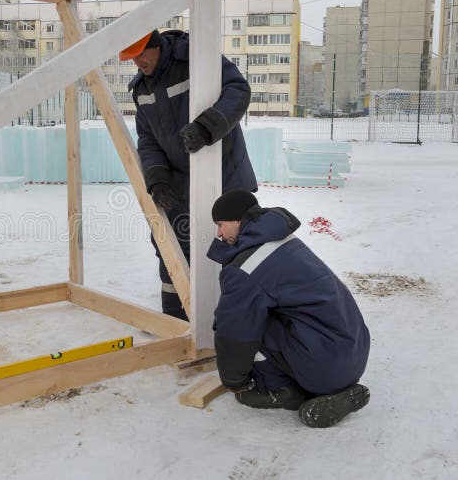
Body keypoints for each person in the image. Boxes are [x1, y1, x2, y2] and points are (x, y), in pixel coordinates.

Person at [121, 29, 257, 321]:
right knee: (169, 245)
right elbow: (147, 139)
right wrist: (156, 176)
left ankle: (234, 323)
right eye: (132, 58)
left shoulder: (195, 58)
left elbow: (238, 90)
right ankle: (176, 320)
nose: (138, 63)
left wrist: (207, 127)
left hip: (224, 176)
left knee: (233, 246)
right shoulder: (141, 90)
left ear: (155, 44)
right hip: (180, 187)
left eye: (141, 53)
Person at [206, 189, 371, 428]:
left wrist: (233, 380)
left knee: (246, 320)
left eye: (221, 224)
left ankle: (281, 389)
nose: (219, 234)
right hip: (353, 352)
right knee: (261, 310)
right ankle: (333, 387)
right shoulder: (282, 239)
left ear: (239, 220)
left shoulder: (247, 268)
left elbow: (234, 332)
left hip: (324, 364)